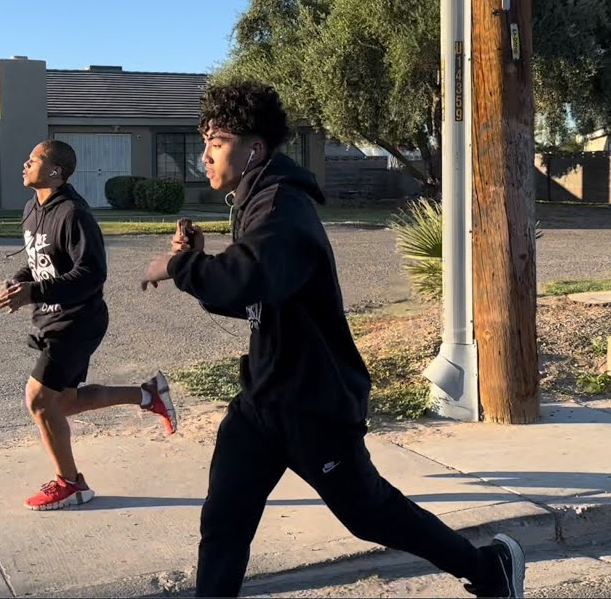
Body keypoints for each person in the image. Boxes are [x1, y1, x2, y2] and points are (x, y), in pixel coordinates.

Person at [138, 82, 527, 598]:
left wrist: (178, 266)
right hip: (264, 400)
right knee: (224, 521)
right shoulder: (256, 202)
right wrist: (199, 266)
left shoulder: (282, 207)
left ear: (254, 149)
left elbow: (248, 277)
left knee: (369, 513)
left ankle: (488, 568)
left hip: (312, 403)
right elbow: (254, 297)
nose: (205, 155)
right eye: (204, 142)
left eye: (218, 142)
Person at [0, 139, 177, 511]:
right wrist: (18, 282)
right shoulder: (33, 209)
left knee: (39, 400)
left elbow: (93, 274)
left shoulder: (73, 214)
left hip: (77, 320)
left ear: (55, 171)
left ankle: (71, 484)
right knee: (64, 402)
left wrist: (34, 291)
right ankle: (148, 395)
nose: (25, 164)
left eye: (33, 159)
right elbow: (38, 262)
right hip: (50, 317)